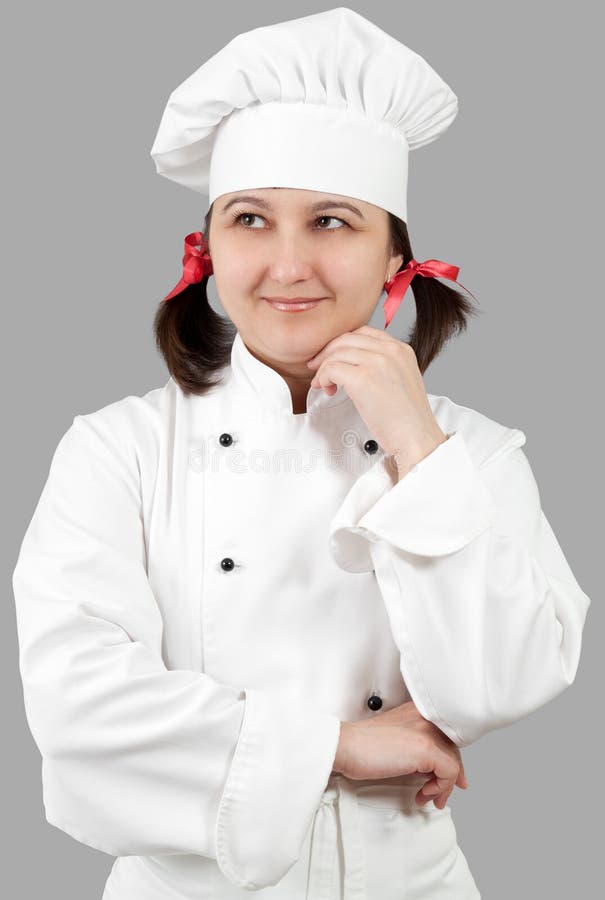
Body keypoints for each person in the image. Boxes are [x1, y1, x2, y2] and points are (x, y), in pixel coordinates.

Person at [12, 7, 591, 900]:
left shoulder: (469, 451)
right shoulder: (116, 449)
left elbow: (501, 682)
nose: (287, 267)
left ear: (396, 255)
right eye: (250, 219)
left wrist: (413, 445)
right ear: (204, 252)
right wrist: (338, 747)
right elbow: (78, 707)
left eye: (331, 221)